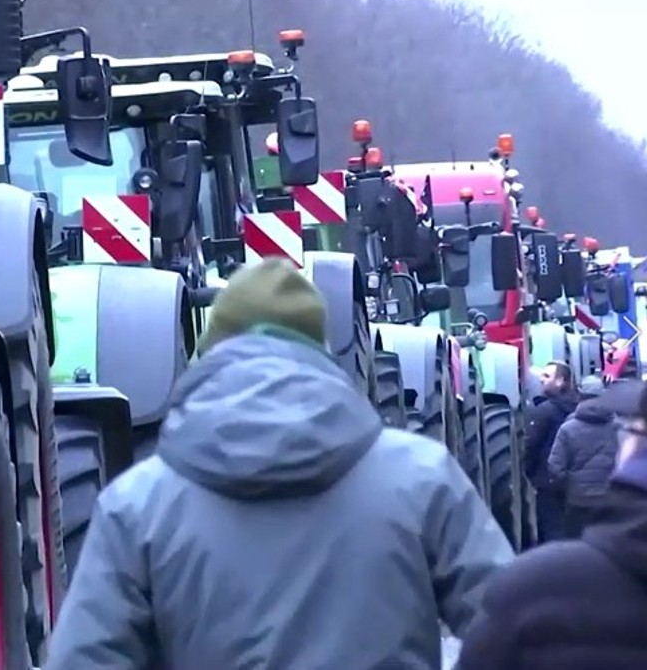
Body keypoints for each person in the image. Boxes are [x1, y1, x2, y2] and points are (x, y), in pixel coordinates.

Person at [45, 258, 513, 670]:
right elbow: (517, 632)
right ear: (320, 350)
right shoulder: (422, 477)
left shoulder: (137, 506)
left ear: (209, 352)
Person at [457, 379, 647, 669]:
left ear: (632, 447)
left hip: (576, 500)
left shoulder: (532, 589)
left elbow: (554, 465)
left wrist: (556, 486)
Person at [547, 375, 618, 538]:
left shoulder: (567, 428)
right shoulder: (619, 427)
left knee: (578, 548)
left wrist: (568, 488)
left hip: (578, 502)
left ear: (579, 396)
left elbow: (555, 467)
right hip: (610, 501)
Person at [524, 361, 579, 543]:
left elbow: (531, 446)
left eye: (547, 376)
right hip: (575, 485)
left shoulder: (544, 412)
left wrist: (532, 475)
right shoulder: (579, 409)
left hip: (548, 484)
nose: (540, 379)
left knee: (552, 534)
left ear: (561, 381)